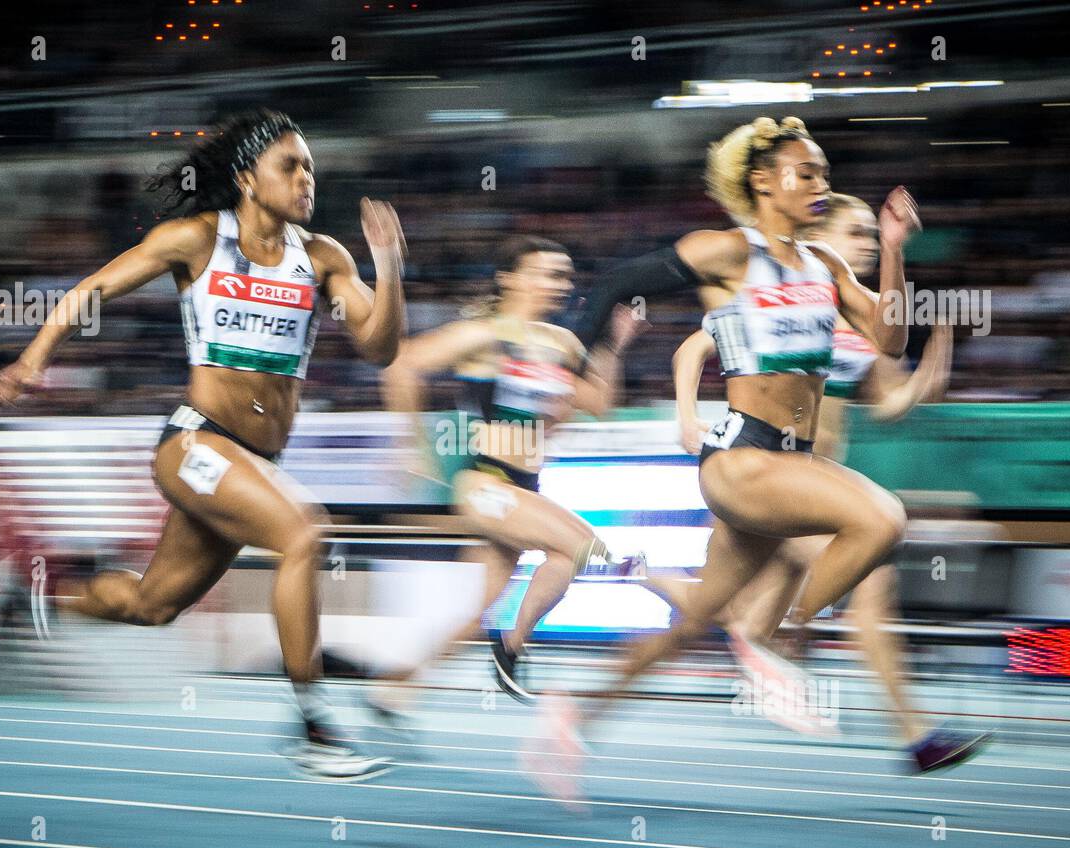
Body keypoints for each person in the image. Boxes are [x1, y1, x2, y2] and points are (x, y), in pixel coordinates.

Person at [532, 117, 985, 798]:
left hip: (786, 470)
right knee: (881, 519)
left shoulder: (826, 266)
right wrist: (576, 361)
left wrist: (893, 247)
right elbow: (620, 281)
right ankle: (775, 644)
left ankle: (575, 713)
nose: (820, 186)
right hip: (743, 459)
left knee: (690, 624)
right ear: (763, 182)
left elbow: (890, 339)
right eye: (806, 173)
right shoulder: (729, 252)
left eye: (826, 174)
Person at [0, 109, 408, 780]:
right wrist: (33, 361)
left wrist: (390, 270)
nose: (306, 179)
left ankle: (33, 600)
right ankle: (316, 725)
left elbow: (379, 349)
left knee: (155, 605)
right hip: (195, 445)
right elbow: (92, 288)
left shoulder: (322, 257)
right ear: (245, 177)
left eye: (312, 169)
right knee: (304, 532)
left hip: (252, 463)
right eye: (290, 165)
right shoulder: (197, 240)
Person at [655, 193, 981, 768]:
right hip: (767, 482)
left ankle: (644, 575)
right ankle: (914, 735)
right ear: (822, 235)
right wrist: (686, 417)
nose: (862, 243)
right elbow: (695, 345)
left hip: (815, 490)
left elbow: (894, 404)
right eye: (852, 232)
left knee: (722, 613)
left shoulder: (857, 322)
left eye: (866, 233)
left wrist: (942, 342)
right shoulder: (782, 296)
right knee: (870, 590)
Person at [378, 236, 642, 708]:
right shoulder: (484, 334)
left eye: (564, 275)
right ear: (511, 278)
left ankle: (395, 688)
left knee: (485, 608)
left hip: (525, 486)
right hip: (485, 483)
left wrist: (613, 346)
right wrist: (412, 444)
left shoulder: (560, 343)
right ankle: (511, 649)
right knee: (583, 549)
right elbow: (402, 367)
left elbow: (599, 404)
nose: (559, 284)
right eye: (547, 273)